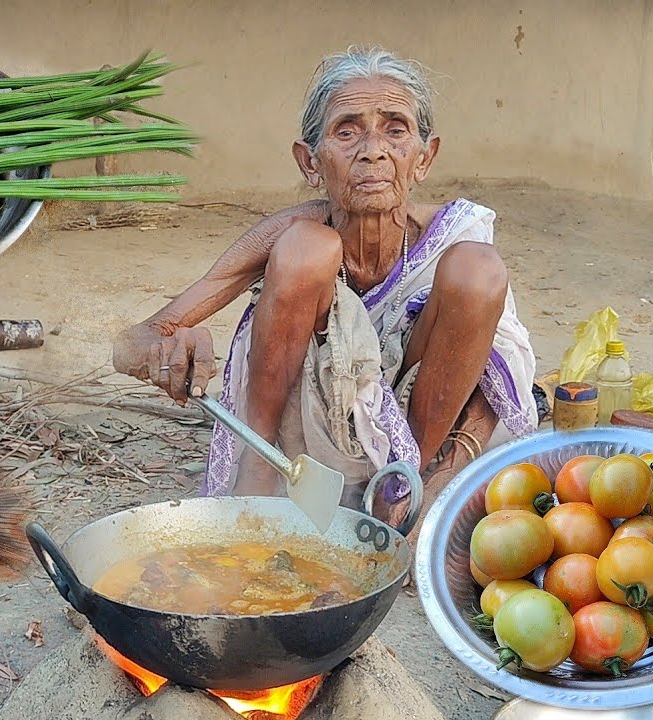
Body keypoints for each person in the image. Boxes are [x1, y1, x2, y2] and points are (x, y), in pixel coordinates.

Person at [112, 46, 539, 530]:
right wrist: (173, 349)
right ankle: (257, 469)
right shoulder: (294, 233)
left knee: (478, 271)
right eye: (347, 130)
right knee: (306, 249)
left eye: (395, 130)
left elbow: (494, 369)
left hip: (423, 429)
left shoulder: (458, 237)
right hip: (309, 429)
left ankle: (403, 486)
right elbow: (129, 345)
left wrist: (450, 471)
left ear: (424, 158)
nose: (373, 150)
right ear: (310, 163)